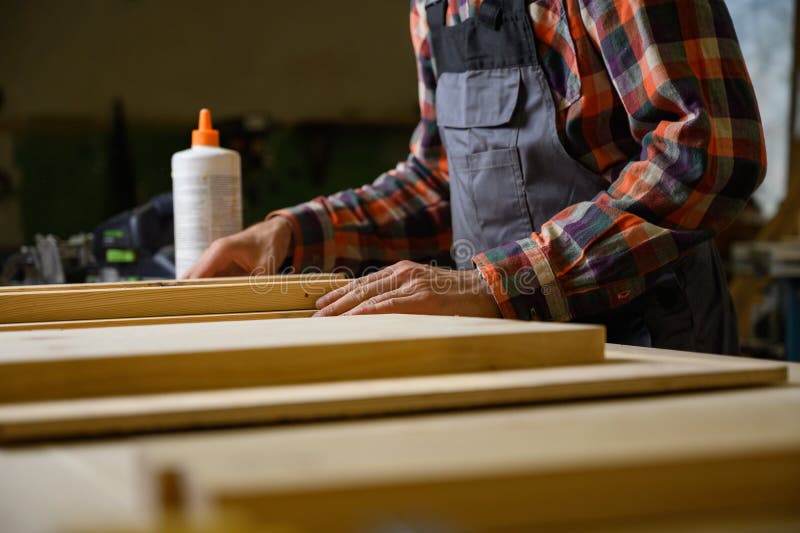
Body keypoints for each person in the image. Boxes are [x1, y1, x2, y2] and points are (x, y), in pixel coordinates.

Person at [184, 0, 765, 355]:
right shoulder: (436, 4)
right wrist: (293, 233)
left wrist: (496, 285)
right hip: (503, 346)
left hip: (649, 349)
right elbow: (444, 178)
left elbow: (708, 153)